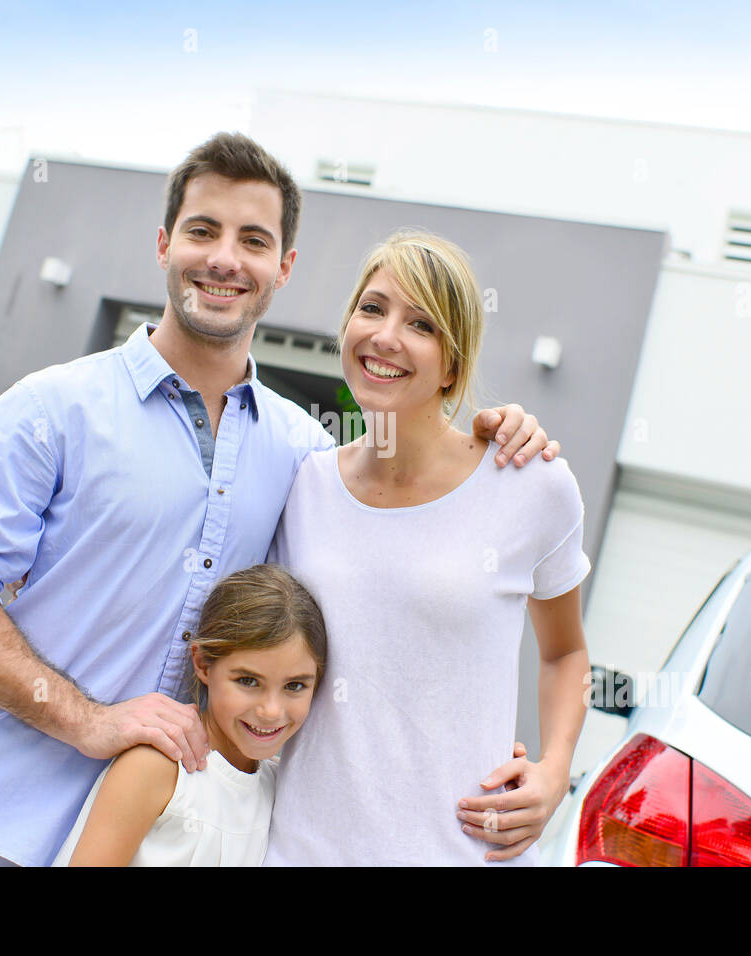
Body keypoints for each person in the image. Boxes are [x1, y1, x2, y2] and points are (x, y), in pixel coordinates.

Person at [0, 131, 562, 867]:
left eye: (252, 239)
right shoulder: (56, 407)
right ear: (163, 243)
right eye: (203, 230)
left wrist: (493, 435)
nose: (223, 259)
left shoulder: (306, 457)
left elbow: (374, 599)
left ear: (283, 267)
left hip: (168, 841)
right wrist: (85, 721)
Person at [264, 229, 591, 866]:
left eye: (421, 324)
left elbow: (566, 653)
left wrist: (555, 774)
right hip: (301, 850)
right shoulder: (304, 485)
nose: (385, 336)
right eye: (372, 308)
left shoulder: (530, 484)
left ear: (454, 365)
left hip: (461, 852)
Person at [51, 564, 326, 866]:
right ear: (203, 664)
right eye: (248, 681)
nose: (271, 711)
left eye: (294, 685)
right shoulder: (158, 767)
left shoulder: (277, 787)